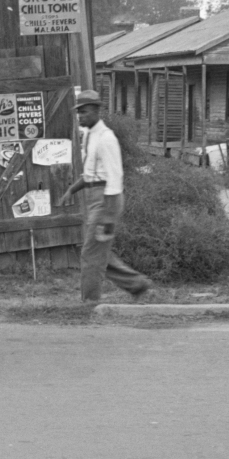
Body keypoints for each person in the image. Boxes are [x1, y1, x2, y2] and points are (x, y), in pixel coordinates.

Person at [57, 89, 150, 302]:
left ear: (97, 111)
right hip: (93, 197)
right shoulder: (90, 135)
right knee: (100, 252)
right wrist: (72, 189)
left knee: (90, 254)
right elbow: (91, 174)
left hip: (106, 200)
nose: (81, 116)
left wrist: (108, 217)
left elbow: (114, 179)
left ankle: (89, 303)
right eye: (79, 112)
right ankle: (137, 284)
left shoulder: (107, 138)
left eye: (86, 111)